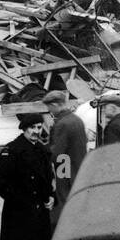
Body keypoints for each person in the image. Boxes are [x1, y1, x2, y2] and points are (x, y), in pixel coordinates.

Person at [43, 91, 86, 227]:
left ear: (55, 105)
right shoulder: (76, 120)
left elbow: (57, 152)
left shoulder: (62, 124)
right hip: (77, 164)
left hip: (65, 166)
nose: (49, 111)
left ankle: (63, 229)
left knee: (63, 197)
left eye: (49, 107)